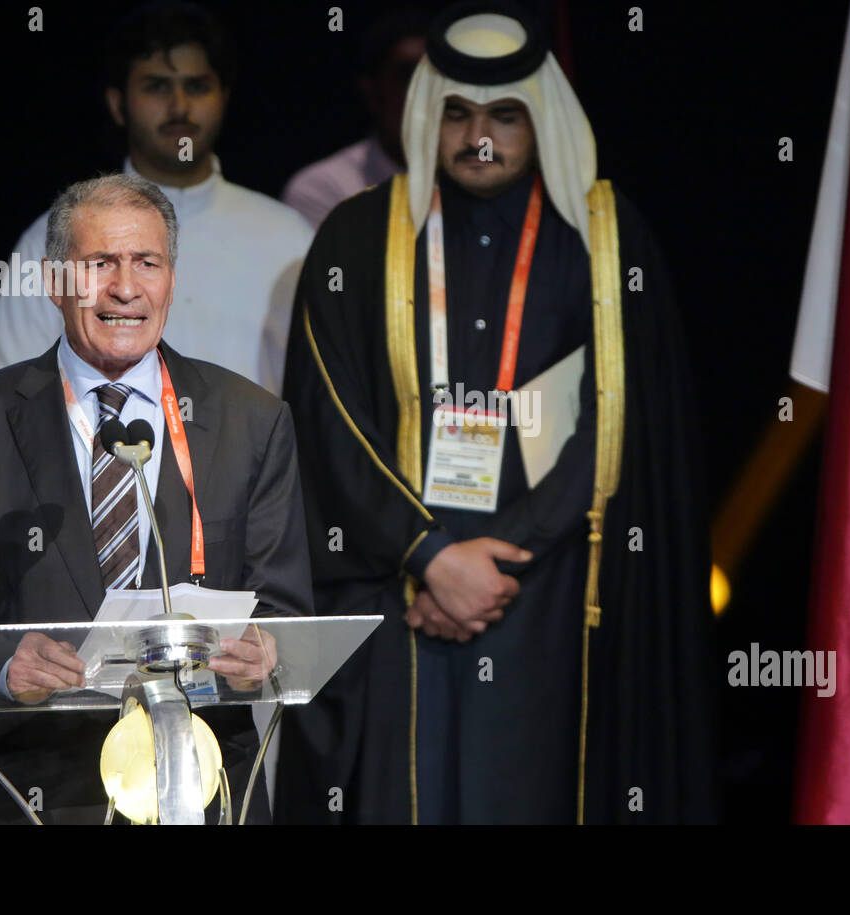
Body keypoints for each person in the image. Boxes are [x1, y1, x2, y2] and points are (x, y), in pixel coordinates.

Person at [276, 1, 717, 824]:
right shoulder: (356, 237)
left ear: (538, 115)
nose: (480, 136)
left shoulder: (603, 239)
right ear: (424, 115)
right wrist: (431, 555)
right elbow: (327, 417)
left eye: (505, 115)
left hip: (548, 588)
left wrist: (501, 558)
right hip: (395, 592)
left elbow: (621, 422)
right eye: (458, 113)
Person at [0, 173, 313, 824]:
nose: (126, 288)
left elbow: (287, 613)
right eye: (100, 264)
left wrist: (264, 652)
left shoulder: (251, 420)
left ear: (171, 278)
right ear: (54, 282)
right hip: (26, 786)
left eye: (147, 263)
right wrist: (5, 664)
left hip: (199, 787)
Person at [0, 1, 313, 395]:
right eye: (157, 86)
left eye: (196, 86)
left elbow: (315, 400)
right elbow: (8, 401)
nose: (179, 107)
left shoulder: (288, 237)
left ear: (223, 97)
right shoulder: (57, 236)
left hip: (255, 458)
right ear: (118, 104)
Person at [281, 9, 428, 227]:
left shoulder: (477, 175)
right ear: (372, 93)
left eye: (433, 79)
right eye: (406, 77)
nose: (422, 93)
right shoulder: (325, 188)